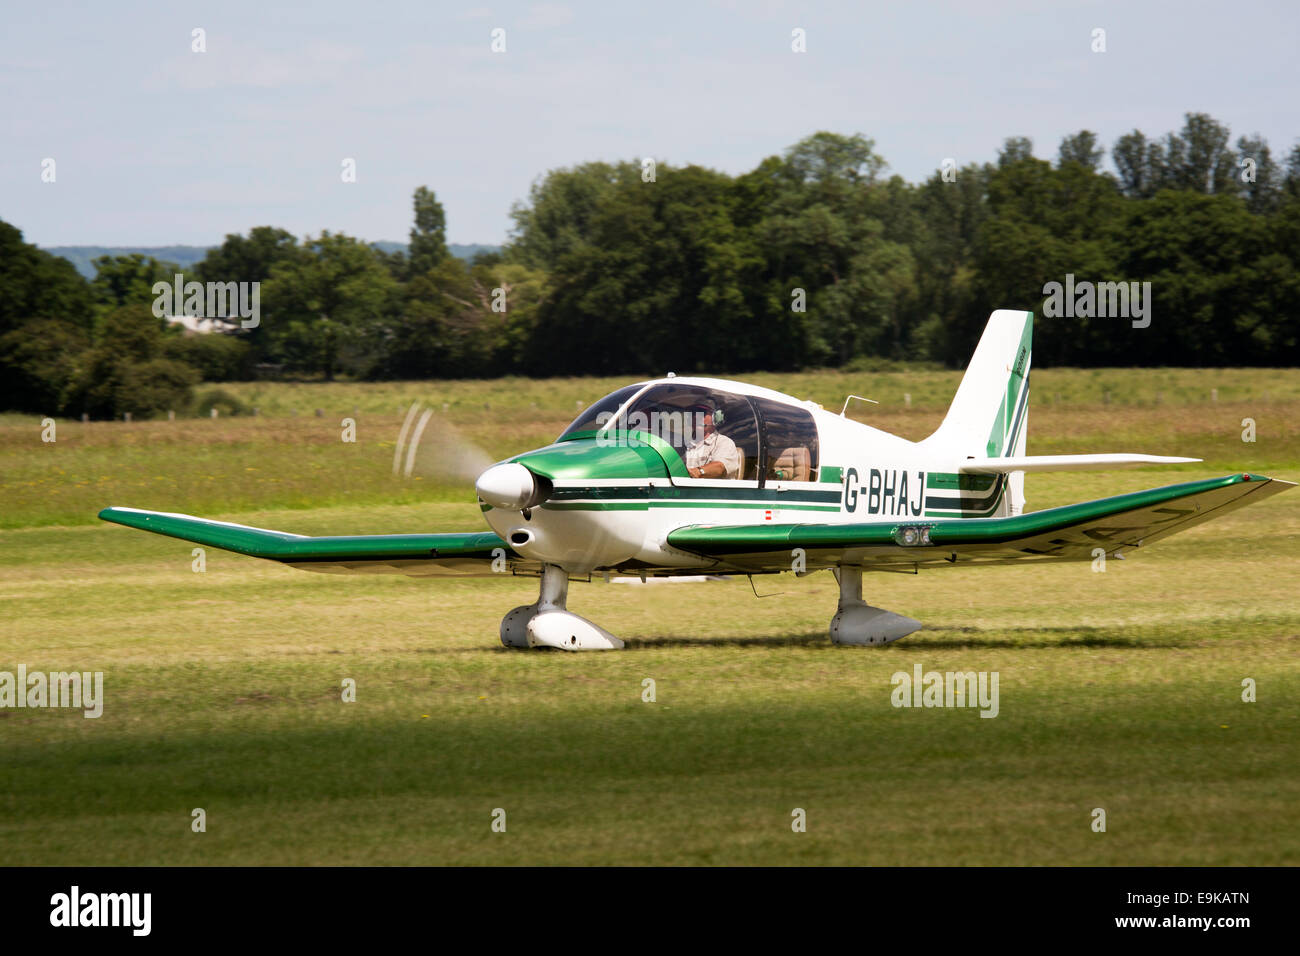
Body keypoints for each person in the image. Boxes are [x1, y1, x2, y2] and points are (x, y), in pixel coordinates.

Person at [684, 402, 741, 479]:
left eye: (701, 413)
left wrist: (698, 472)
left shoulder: (724, 442)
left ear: (716, 417)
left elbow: (719, 467)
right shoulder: (684, 444)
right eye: (692, 413)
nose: (696, 417)